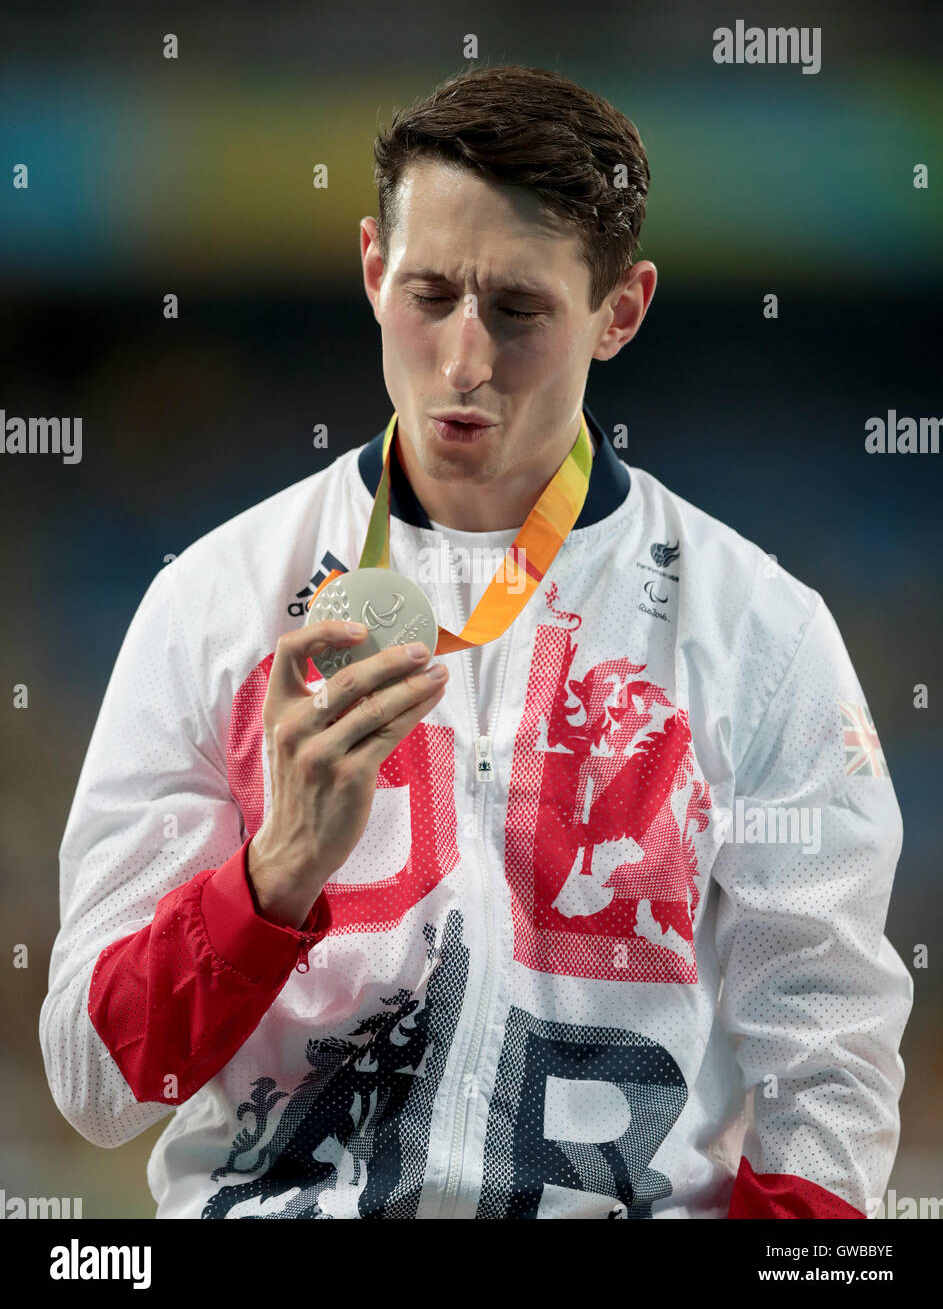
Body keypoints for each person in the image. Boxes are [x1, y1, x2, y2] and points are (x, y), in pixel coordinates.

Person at [39, 63, 912, 1220]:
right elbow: (97, 1086)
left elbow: (828, 1074)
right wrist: (272, 876)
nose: (462, 360)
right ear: (369, 268)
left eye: (517, 310)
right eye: (429, 292)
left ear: (621, 310)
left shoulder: (761, 633)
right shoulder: (214, 603)